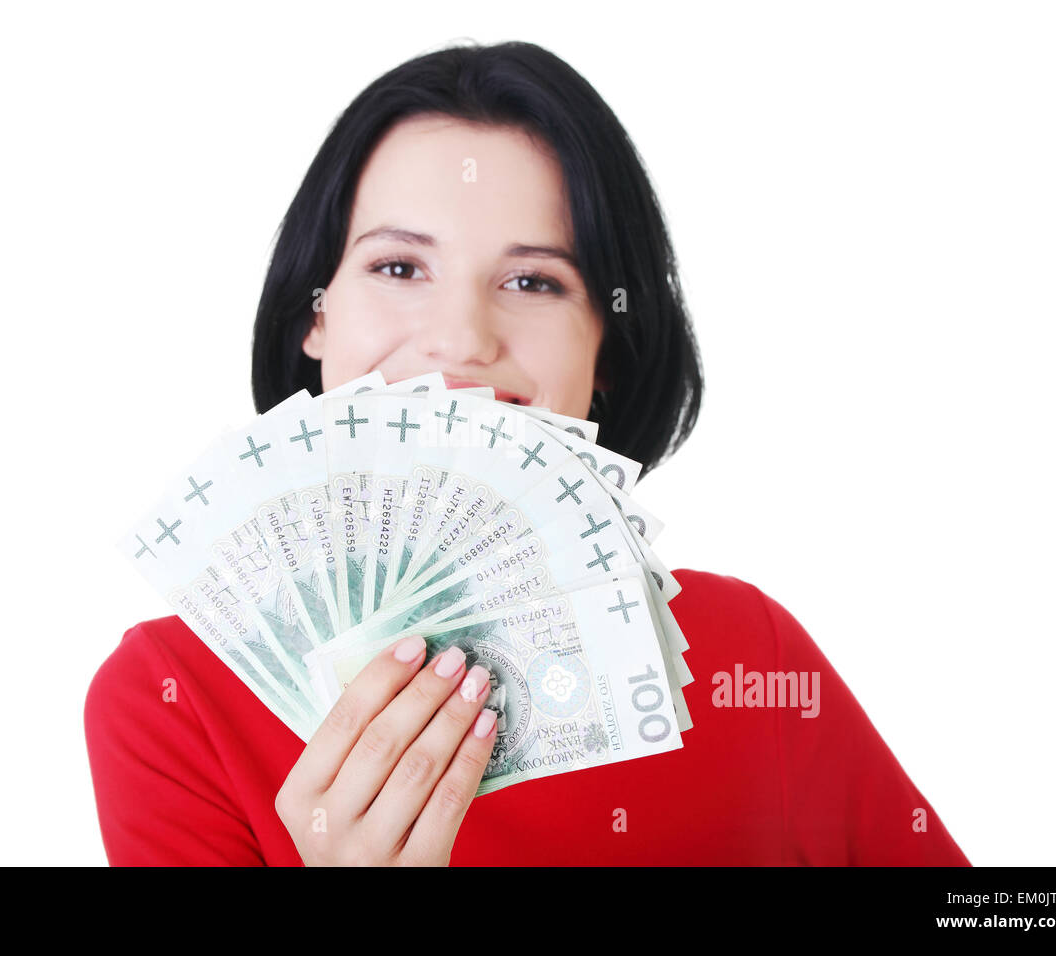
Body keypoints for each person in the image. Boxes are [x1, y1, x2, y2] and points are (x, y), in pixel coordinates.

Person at [84, 41, 970, 866]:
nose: (461, 340)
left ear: (607, 354)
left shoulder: (749, 656)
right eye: (399, 267)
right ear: (314, 313)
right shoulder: (169, 698)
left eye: (533, 281)